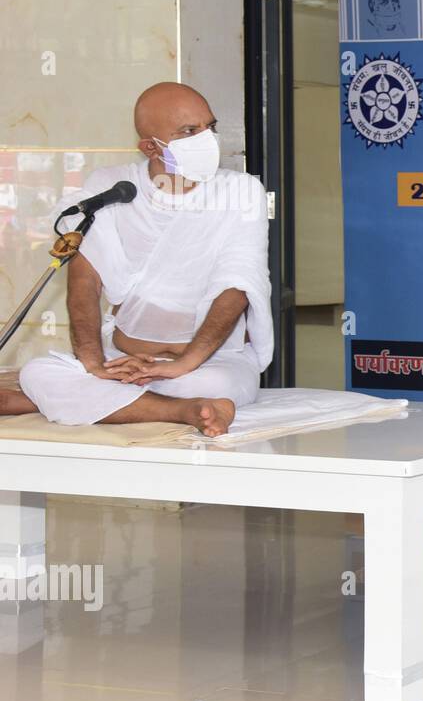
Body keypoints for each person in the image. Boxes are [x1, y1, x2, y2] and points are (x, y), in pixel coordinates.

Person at [0, 82, 272, 437]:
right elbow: (84, 283)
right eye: (189, 131)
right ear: (149, 147)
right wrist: (96, 364)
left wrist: (182, 364)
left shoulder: (240, 191)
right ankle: (179, 411)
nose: (206, 139)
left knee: (210, 384)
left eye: (210, 127)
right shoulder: (110, 188)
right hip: (121, 359)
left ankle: (67, 402)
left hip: (208, 364)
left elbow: (238, 286)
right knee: (40, 371)